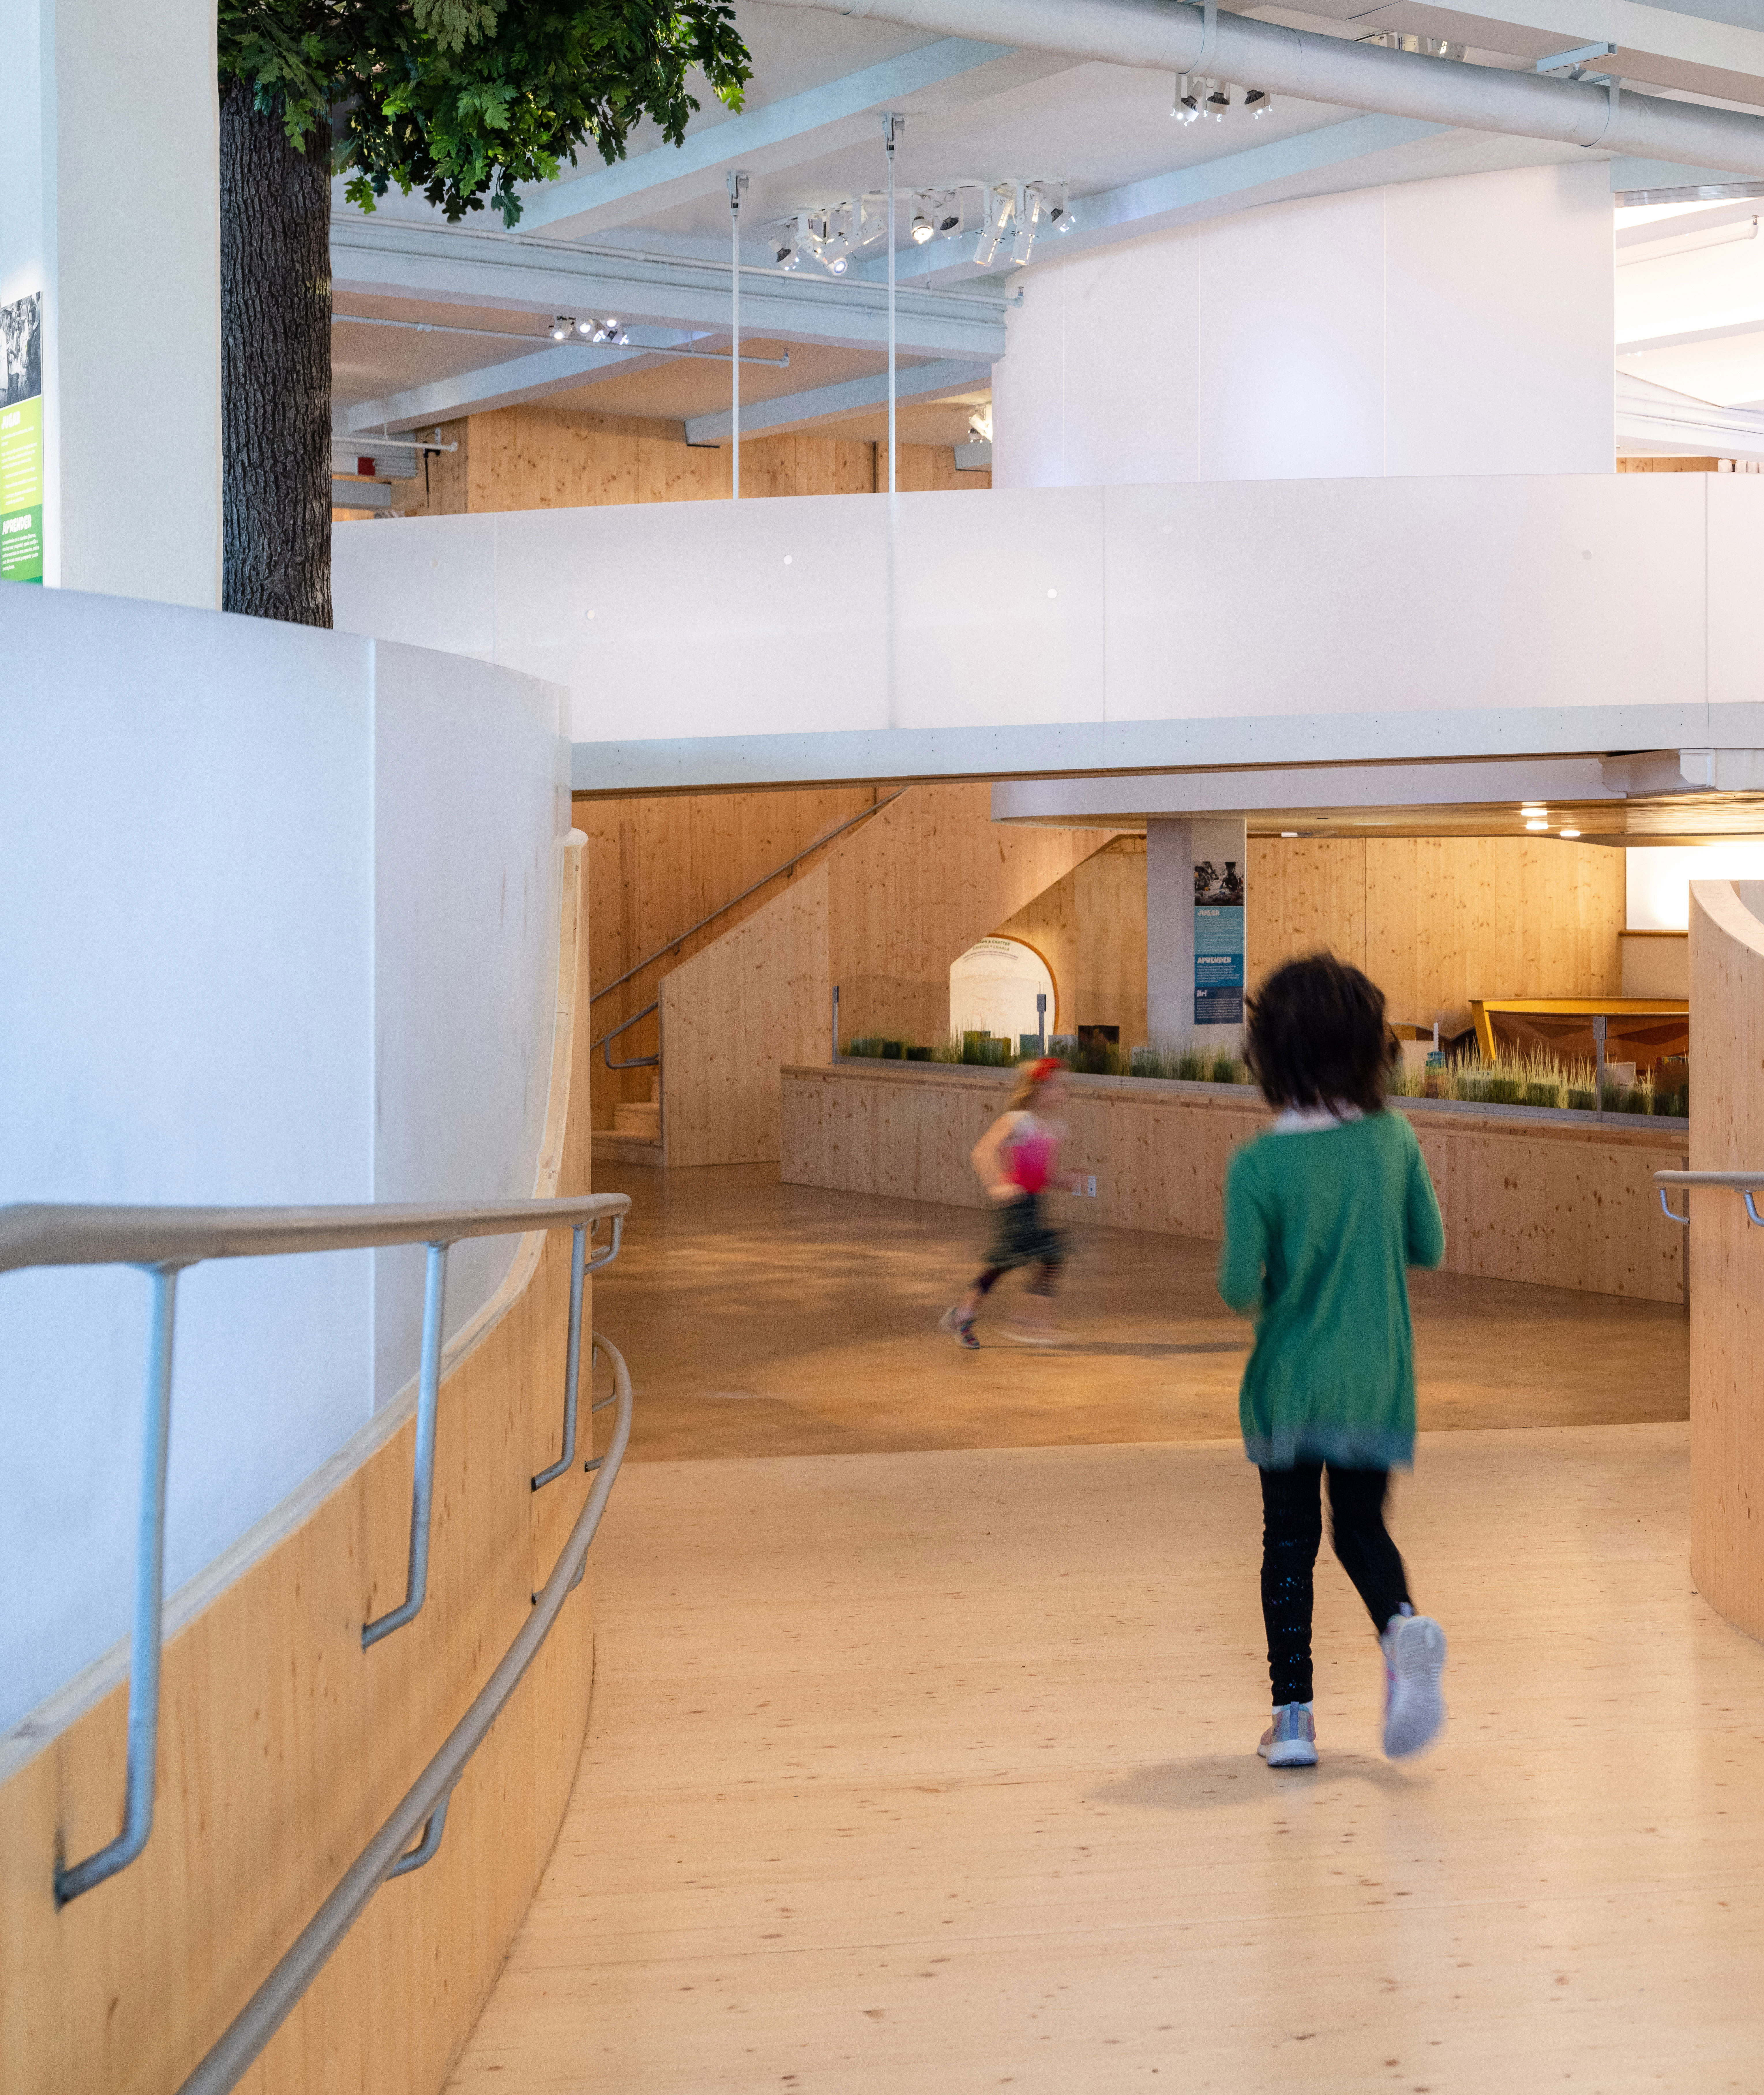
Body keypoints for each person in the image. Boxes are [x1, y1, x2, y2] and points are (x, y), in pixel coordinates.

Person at [1217, 954, 1448, 1770]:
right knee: (1358, 1530)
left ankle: (1291, 1723)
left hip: (1287, 1384)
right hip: (1377, 1380)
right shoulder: (1393, 1138)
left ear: (1269, 1053)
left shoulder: (1258, 1164)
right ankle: (1399, 1626)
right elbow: (1429, 1244)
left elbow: (1234, 1286)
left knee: (1288, 1546)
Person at [940, 1057, 1078, 1348]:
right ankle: (1028, 1322)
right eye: (1058, 1087)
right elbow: (982, 1152)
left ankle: (967, 1314)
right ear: (1039, 1089)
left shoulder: (1054, 1128)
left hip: (1032, 1205)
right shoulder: (1017, 1120)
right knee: (1038, 1256)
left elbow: (1044, 1175)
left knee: (1008, 1263)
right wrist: (998, 1185)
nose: (1063, 1093)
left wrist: (1062, 1181)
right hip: (1014, 1206)